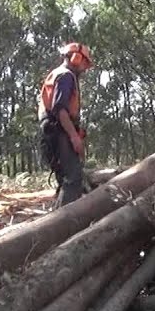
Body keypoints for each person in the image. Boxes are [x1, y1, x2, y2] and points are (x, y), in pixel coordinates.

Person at [38, 41, 93, 207]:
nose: (84, 68)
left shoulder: (57, 74)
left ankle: (56, 220)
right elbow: (60, 109)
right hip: (59, 131)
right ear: (76, 58)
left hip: (51, 131)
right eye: (84, 63)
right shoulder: (66, 76)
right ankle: (62, 225)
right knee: (73, 179)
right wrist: (74, 137)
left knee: (65, 180)